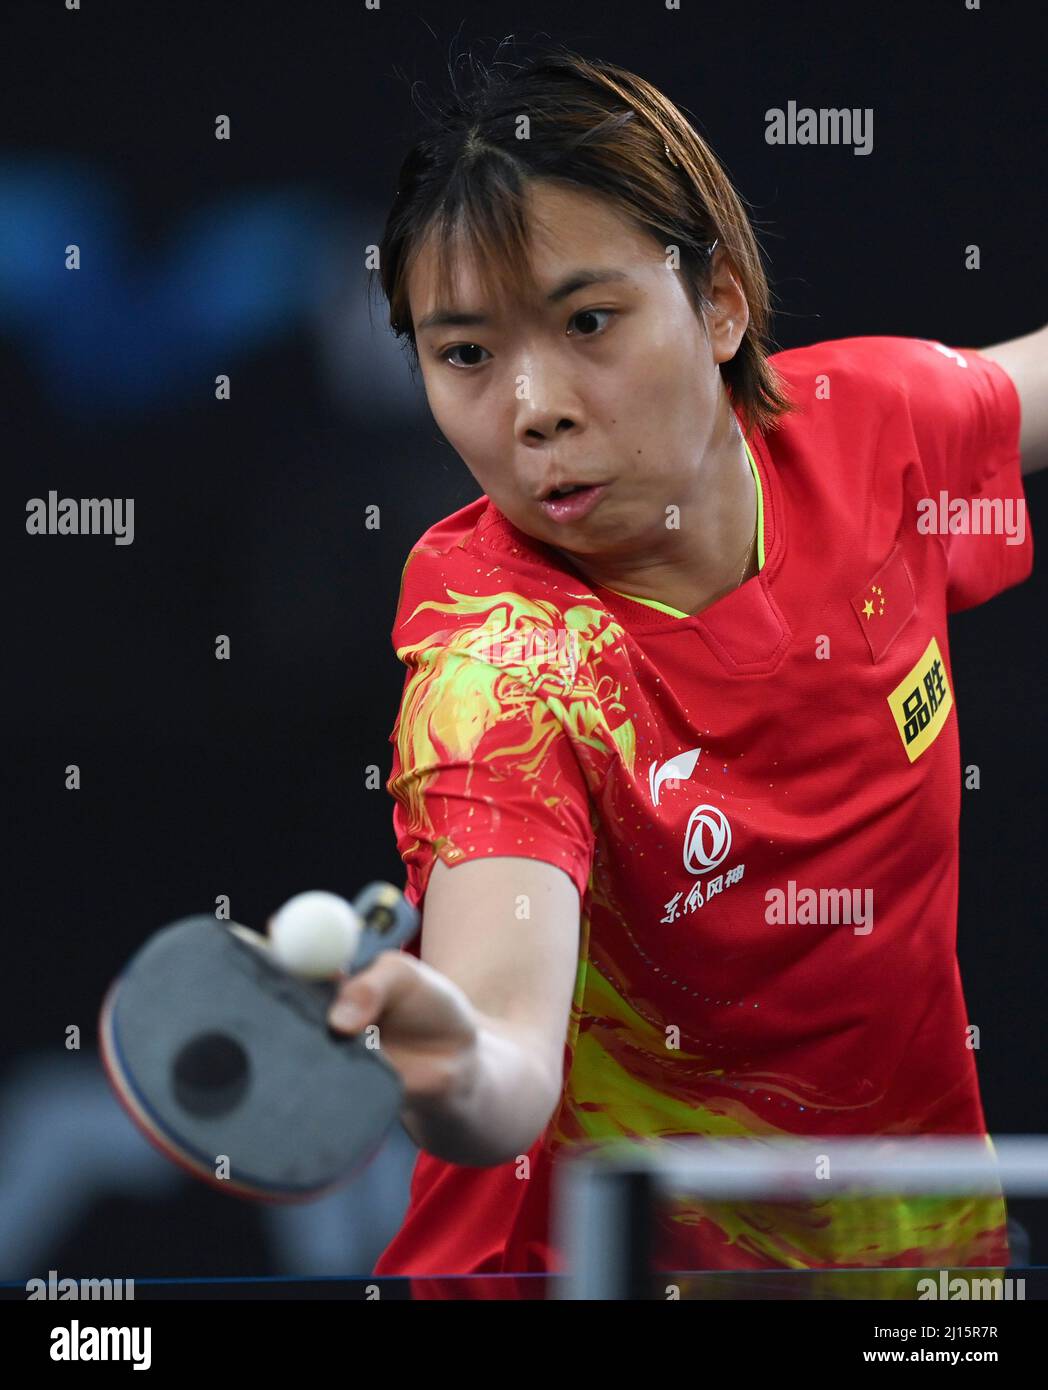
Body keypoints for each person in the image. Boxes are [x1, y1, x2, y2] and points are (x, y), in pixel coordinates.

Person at [327, 46, 1045, 1283]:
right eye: (465, 356)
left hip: (909, 1271)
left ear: (718, 304)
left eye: (587, 320)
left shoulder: (877, 432)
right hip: (581, 1274)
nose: (532, 406)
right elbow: (505, 1057)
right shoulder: (502, 665)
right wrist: (453, 1067)